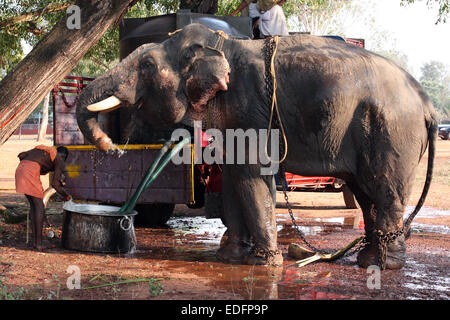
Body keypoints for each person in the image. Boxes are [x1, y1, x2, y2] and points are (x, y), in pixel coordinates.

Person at [15, 145, 71, 251]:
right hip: (29, 172)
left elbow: (21, 155)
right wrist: (65, 196)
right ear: (62, 156)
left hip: (20, 169)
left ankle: (36, 242)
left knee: (34, 206)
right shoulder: (58, 159)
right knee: (40, 206)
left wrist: (35, 163)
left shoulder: (43, 150)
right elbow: (55, 184)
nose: (61, 159)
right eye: (62, 157)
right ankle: (39, 244)